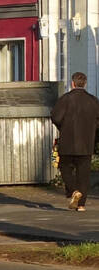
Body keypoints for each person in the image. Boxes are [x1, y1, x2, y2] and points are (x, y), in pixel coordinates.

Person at [51, 72, 99, 211]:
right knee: (83, 174)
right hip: (86, 143)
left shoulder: (65, 99)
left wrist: (63, 127)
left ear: (72, 83)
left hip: (68, 141)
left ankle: (73, 191)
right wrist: (93, 132)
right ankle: (82, 205)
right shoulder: (94, 101)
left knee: (65, 167)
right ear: (85, 84)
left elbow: (55, 117)